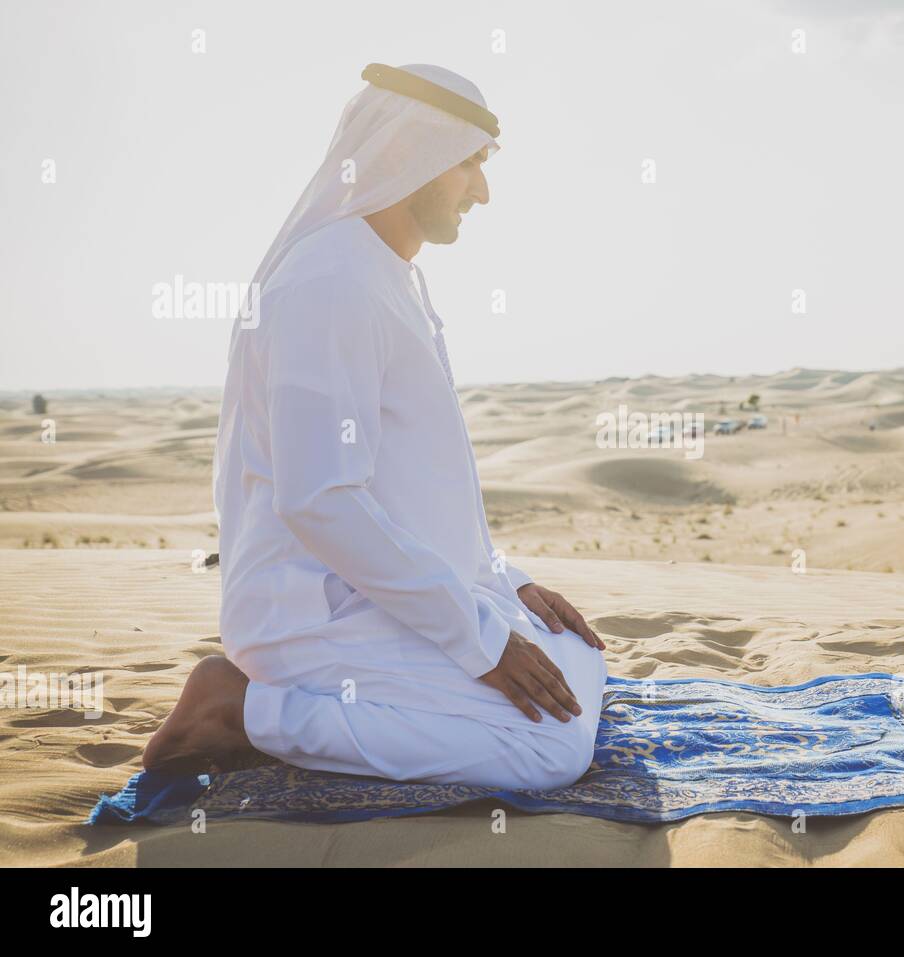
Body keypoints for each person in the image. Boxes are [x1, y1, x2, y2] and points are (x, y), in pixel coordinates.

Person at [142, 64, 608, 791]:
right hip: (314, 618)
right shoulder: (328, 282)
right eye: (469, 165)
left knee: (578, 655)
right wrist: (482, 639)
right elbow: (320, 498)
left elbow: (414, 487)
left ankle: (444, 650)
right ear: (404, 155)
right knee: (551, 749)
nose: (481, 192)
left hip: (384, 591)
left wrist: (504, 582)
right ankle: (243, 710)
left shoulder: (387, 273)